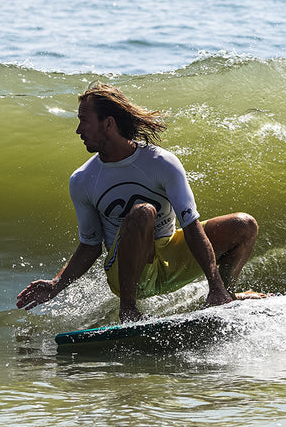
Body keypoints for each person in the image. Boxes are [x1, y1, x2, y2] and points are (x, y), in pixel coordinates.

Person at [16, 82, 259, 323]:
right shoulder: (83, 180)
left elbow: (192, 227)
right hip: (125, 274)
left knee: (244, 224)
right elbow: (90, 246)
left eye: (84, 121)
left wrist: (215, 286)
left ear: (108, 123)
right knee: (143, 213)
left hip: (169, 259)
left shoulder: (161, 163)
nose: (79, 130)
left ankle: (225, 294)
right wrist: (56, 285)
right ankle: (129, 311)